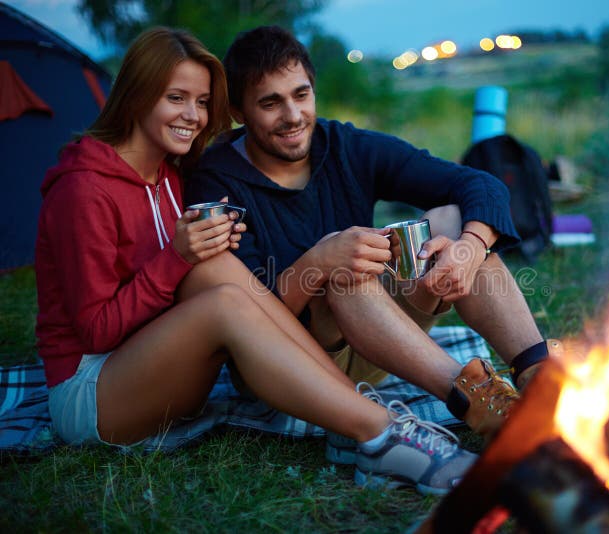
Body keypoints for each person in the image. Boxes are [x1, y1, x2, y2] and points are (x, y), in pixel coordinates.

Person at [34, 27, 476, 496]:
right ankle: (380, 432)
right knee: (220, 297)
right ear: (136, 96)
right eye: (176, 98)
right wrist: (177, 259)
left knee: (216, 270)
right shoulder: (84, 190)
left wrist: (194, 256)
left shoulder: (167, 174)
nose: (193, 116)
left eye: (202, 102)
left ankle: (352, 418)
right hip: (94, 394)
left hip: (155, 368)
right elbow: (97, 332)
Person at [184, 25, 554, 458]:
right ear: (239, 111)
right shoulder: (216, 182)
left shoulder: (345, 145)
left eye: (301, 95)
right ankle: (474, 398)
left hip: (380, 342)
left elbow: (479, 184)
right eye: (270, 103)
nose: (293, 116)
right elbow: (246, 317)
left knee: (452, 220)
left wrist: (471, 246)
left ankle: (538, 373)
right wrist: (318, 263)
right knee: (345, 268)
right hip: (290, 367)